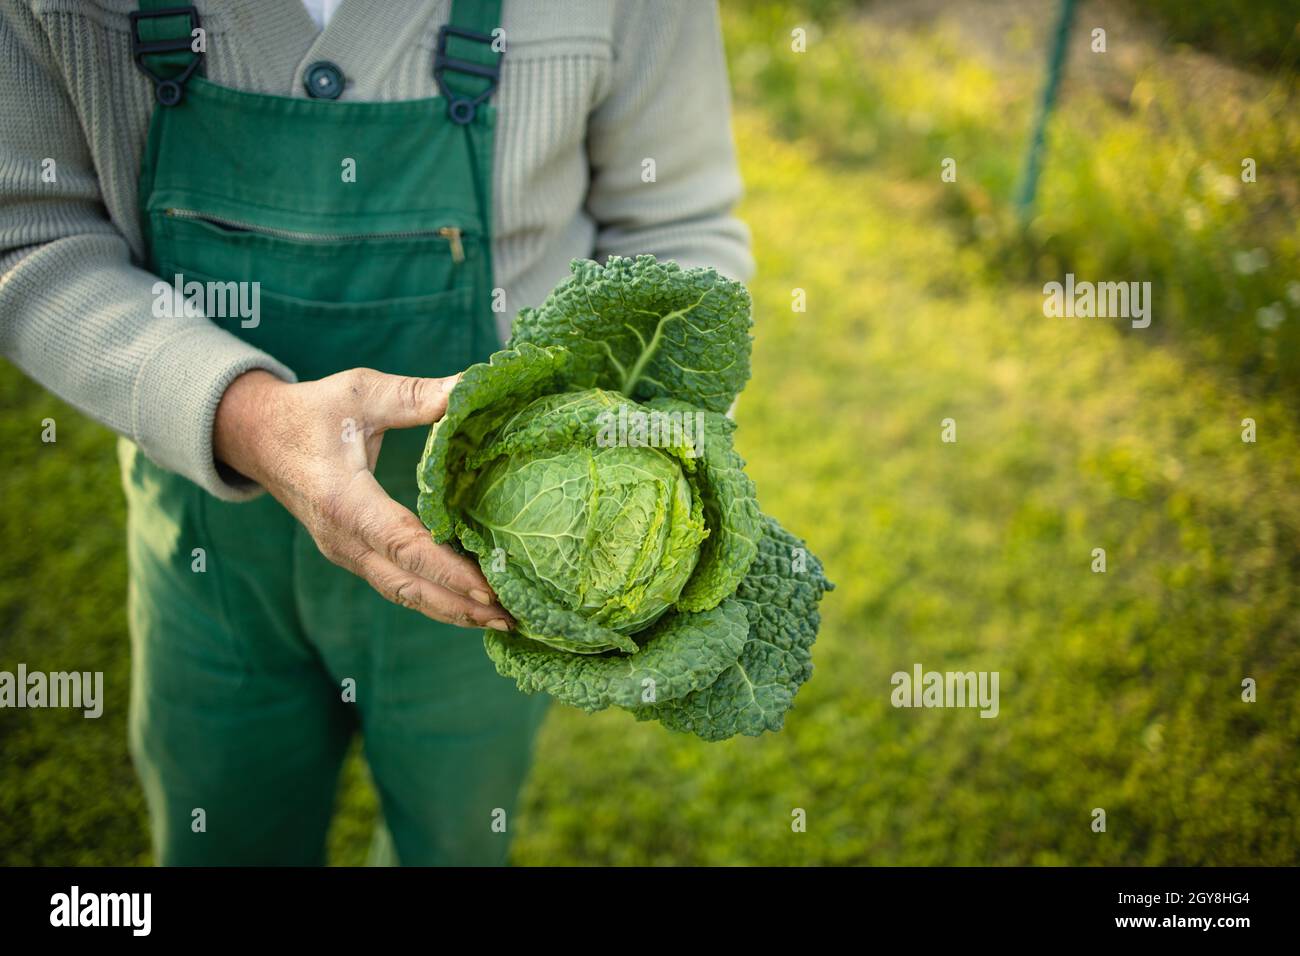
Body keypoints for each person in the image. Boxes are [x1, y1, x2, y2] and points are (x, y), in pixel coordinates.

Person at [0, 0, 751, 865]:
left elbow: (679, 235)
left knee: (454, 841)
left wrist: (635, 492)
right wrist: (243, 417)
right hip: (208, 544)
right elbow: (30, 234)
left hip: (489, 578)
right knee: (220, 838)